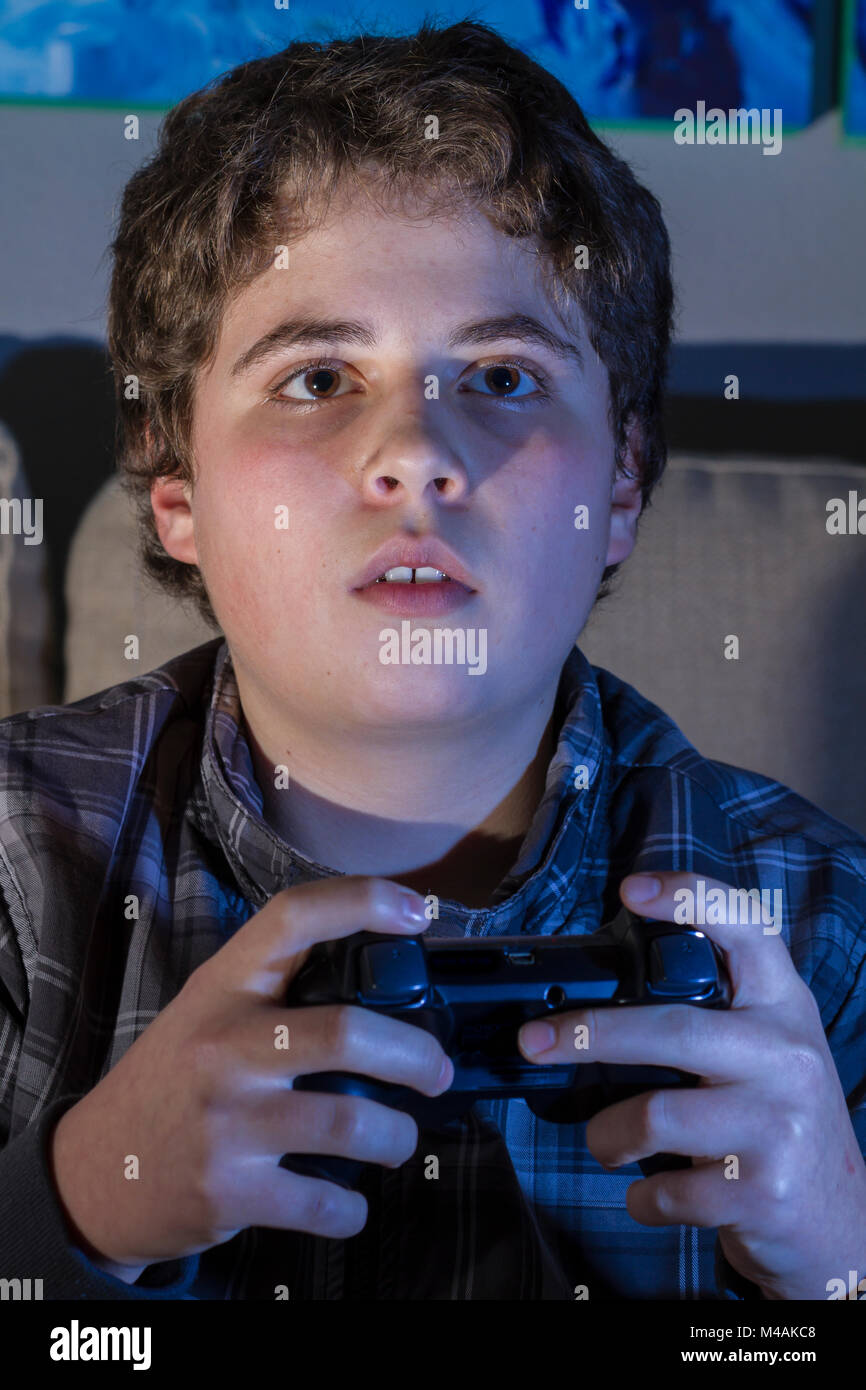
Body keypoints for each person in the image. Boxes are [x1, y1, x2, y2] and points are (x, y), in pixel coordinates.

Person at [0, 19, 864, 1302]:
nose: (414, 451)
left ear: (621, 483)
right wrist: (69, 1200)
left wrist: (841, 1265)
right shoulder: (18, 875)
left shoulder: (823, 931)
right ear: (176, 490)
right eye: (316, 377)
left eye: (503, 376)